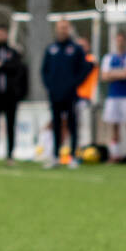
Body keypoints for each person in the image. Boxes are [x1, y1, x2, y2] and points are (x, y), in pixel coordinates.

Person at [40, 20, 92, 168]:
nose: (63, 30)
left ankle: (74, 157)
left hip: (70, 94)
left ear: (69, 29)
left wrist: (74, 84)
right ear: (56, 29)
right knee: (56, 125)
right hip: (55, 94)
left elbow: (84, 68)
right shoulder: (51, 49)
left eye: (65, 28)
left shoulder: (75, 49)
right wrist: (50, 86)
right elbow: (44, 71)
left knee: (72, 125)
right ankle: (55, 156)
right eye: (60, 28)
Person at [0, 24, 26, 167]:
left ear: (6, 35)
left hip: (10, 97)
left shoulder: (13, 52)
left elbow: (16, 68)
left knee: (10, 126)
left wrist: (0, 65)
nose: (0, 36)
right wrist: (2, 65)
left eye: (2, 33)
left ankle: (10, 156)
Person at [100, 32, 126, 163]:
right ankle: (115, 155)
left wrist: (112, 74)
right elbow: (104, 76)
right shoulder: (108, 58)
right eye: (118, 40)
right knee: (114, 125)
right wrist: (119, 73)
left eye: (122, 40)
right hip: (113, 96)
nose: (120, 43)